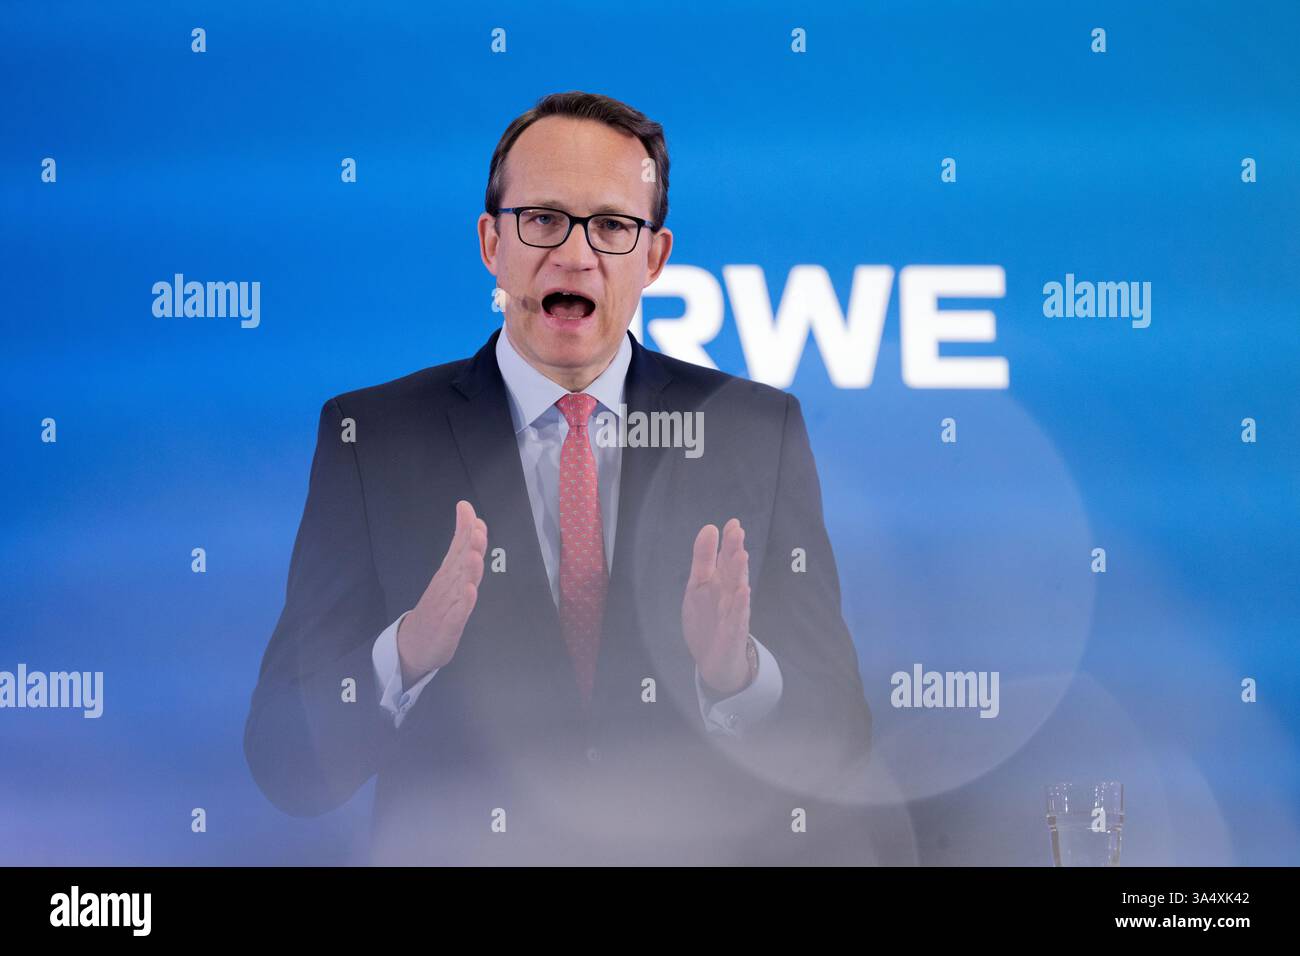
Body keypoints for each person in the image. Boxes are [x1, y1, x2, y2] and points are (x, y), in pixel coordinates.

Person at [244, 91, 872, 865]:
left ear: (654, 258)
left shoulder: (753, 432)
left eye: (611, 226)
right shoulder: (370, 438)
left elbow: (842, 738)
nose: (574, 255)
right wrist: (406, 654)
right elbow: (284, 762)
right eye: (542, 219)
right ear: (490, 243)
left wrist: (735, 676)